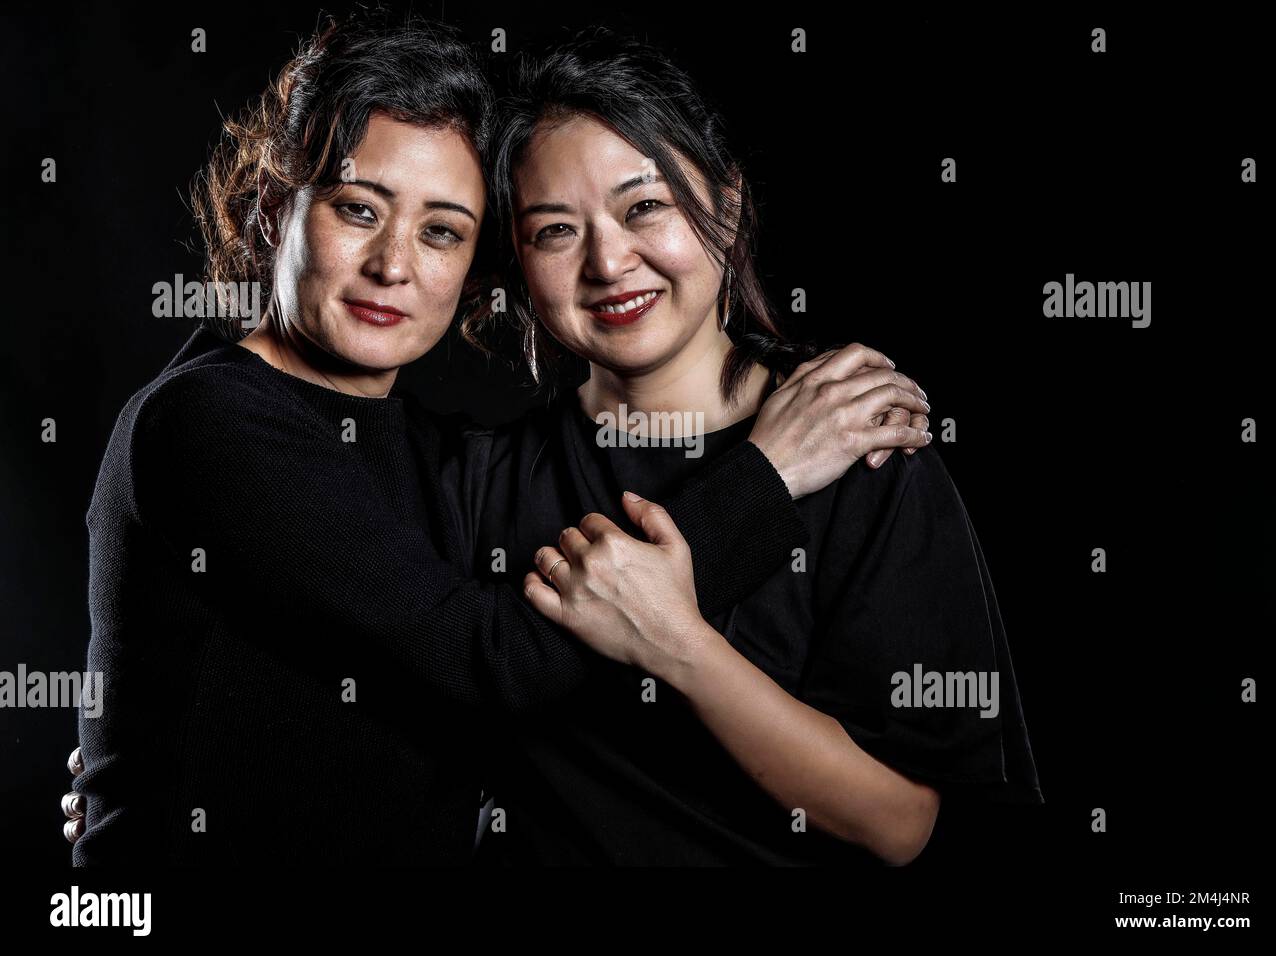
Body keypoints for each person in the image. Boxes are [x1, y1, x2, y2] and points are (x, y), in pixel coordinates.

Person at [63, 14, 931, 864]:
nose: (395, 265)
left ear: (477, 269)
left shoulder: (440, 456)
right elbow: (493, 660)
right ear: (271, 210)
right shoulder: (209, 417)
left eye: (441, 230)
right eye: (358, 210)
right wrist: (771, 473)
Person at [448, 31, 1041, 865]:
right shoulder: (479, 481)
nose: (611, 262)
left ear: (726, 205)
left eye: (645, 206)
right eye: (554, 232)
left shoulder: (860, 446)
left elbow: (899, 822)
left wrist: (678, 647)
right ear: (518, 260)